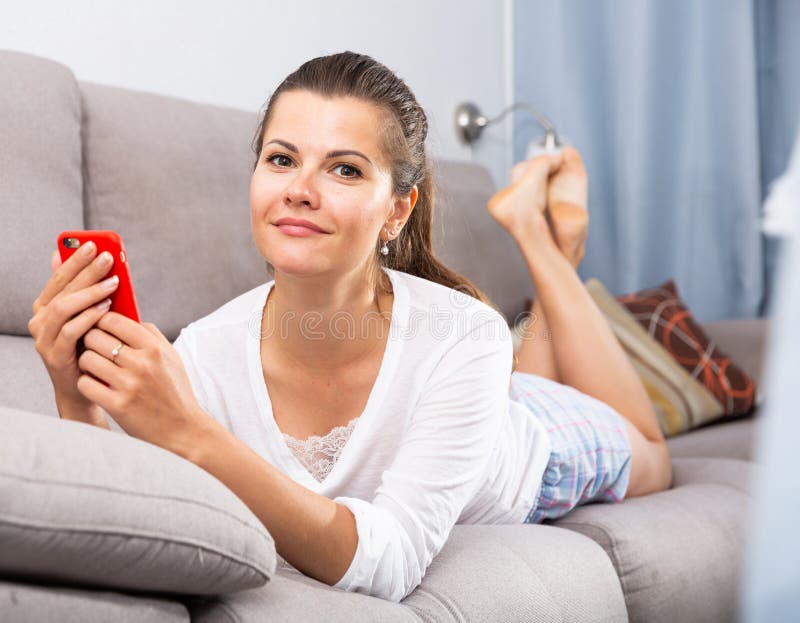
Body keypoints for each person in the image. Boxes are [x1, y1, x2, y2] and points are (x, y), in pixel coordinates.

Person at [27, 51, 672, 603]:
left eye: (344, 169)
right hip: (466, 397)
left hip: (531, 444)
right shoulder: (201, 353)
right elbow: (131, 529)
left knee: (655, 455)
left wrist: (191, 434)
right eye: (281, 159)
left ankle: (539, 236)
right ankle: (545, 247)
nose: (300, 189)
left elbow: (389, 564)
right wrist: (73, 396)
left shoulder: (465, 334)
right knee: (518, 365)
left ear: (397, 210)